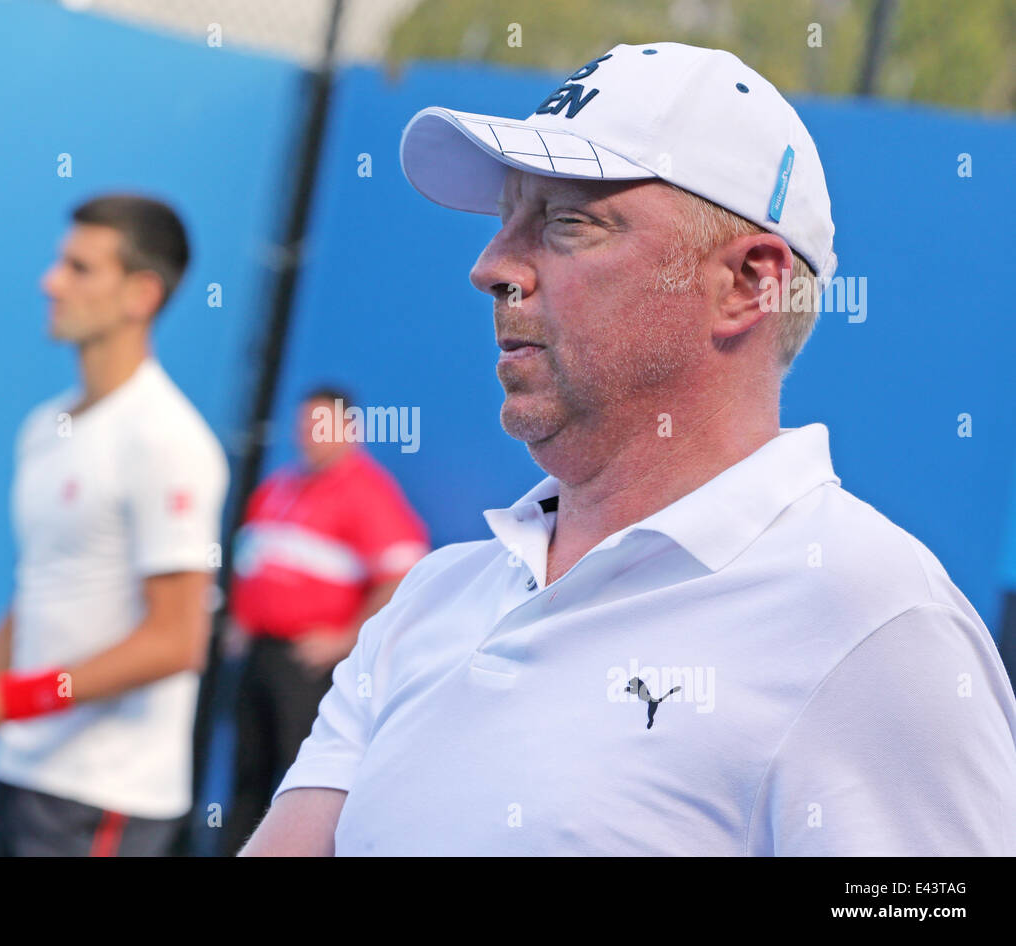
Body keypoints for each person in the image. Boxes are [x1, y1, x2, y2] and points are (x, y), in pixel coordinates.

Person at [241, 42, 1016, 856]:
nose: (491, 266)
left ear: (750, 284)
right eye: (507, 219)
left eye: (567, 222)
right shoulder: (432, 600)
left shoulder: (876, 619)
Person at [0, 193, 229, 856]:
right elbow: (43, 591)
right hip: (26, 779)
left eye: (79, 268)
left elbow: (176, 641)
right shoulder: (45, 429)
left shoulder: (168, 441)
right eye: (59, 262)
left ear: (140, 294)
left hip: (104, 799)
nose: (50, 282)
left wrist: (4, 703)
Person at [221, 387, 428, 854]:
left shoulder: (366, 493)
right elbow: (251, 560)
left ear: (349, 430)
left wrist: (344, 638)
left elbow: (402, 572)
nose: (308, 436)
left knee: (301, 785)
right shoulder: (278, 489)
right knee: (246, 775)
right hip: (259, 658)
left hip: (307, 667)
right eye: (303, 425)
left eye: (321, 425)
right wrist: (240, 618)